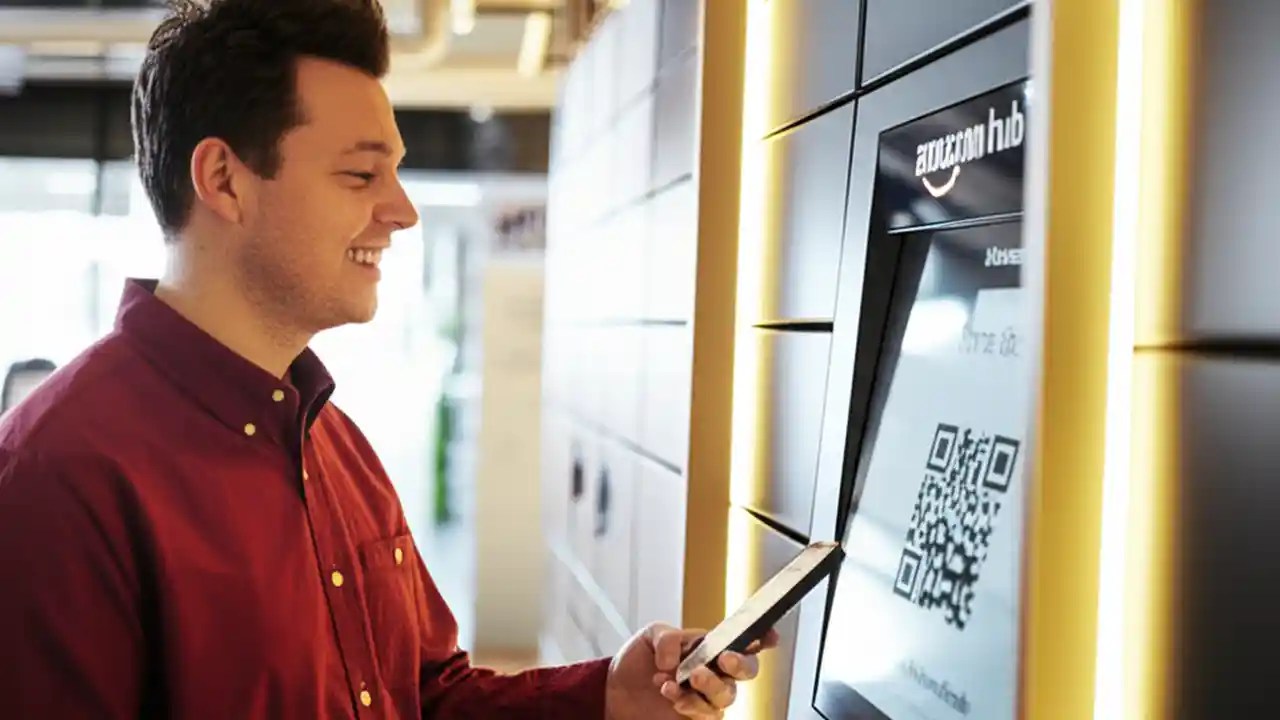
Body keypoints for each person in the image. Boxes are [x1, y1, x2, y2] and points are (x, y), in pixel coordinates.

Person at [0, 1, 776, 718]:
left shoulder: (334, 447)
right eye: (360, 174)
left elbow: (428, 696)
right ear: (225, 180)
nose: (401, 211)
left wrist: (608, 693)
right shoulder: (59, 472)